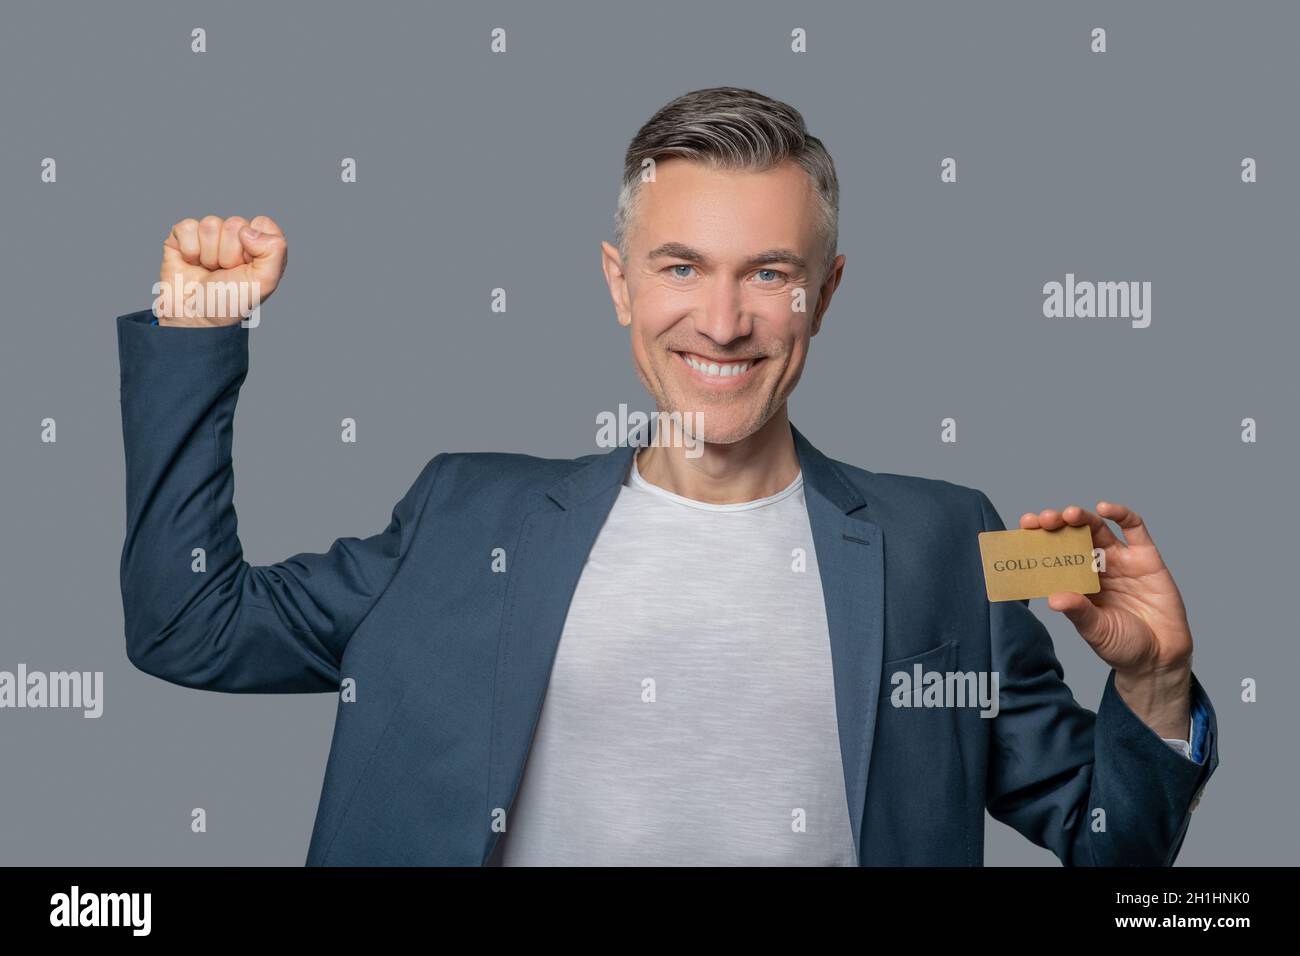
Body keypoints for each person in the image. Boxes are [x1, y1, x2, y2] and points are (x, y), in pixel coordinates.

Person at [116, 86, 1216, 866]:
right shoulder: (463, 510)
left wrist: (1153, 686)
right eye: (680, 267)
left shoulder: (950, 538)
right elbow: (190, 625)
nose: (724, 321)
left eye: (768, 274)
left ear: (822, 295)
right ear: (619, 282)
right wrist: (195, 333)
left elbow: (1110, 841)